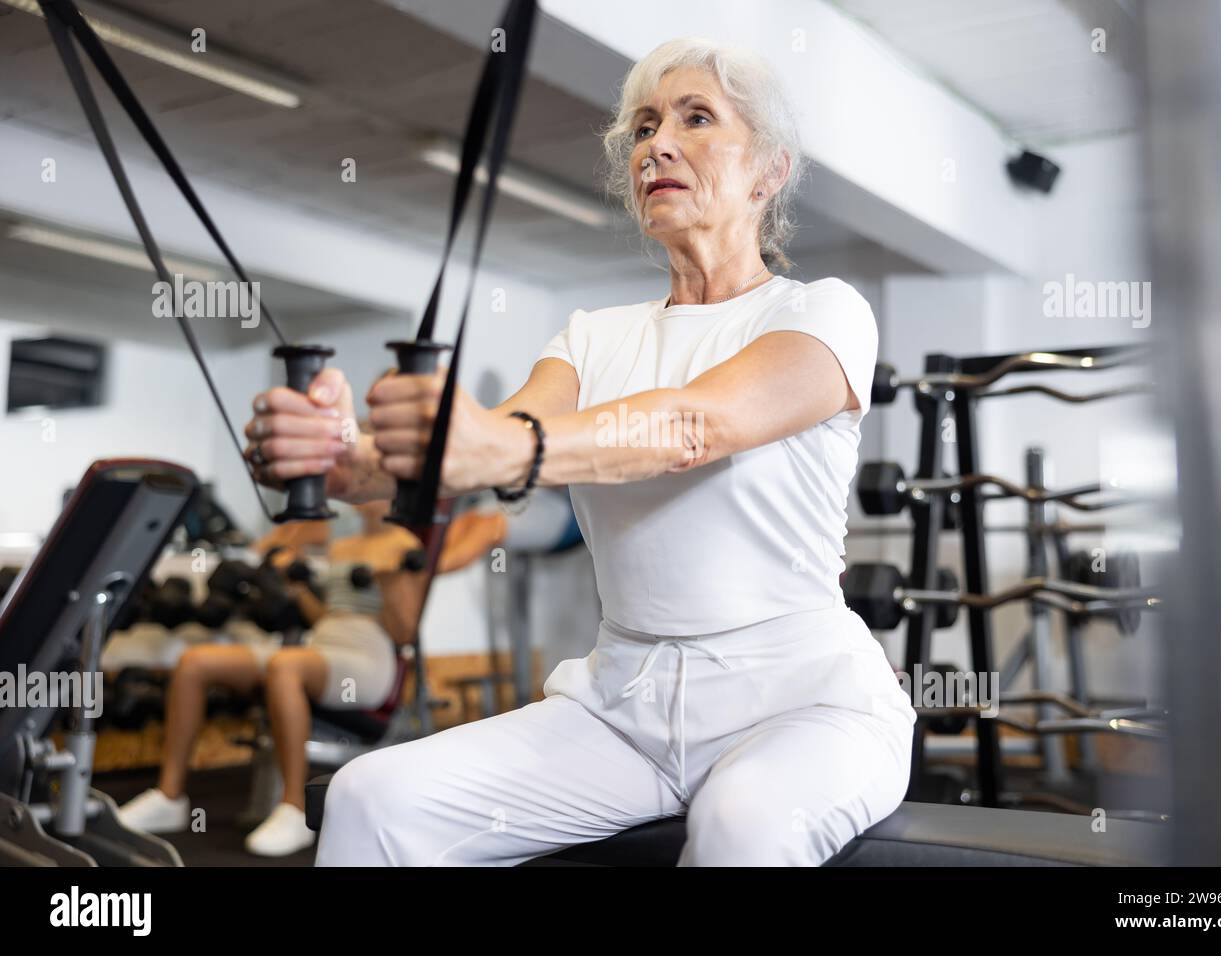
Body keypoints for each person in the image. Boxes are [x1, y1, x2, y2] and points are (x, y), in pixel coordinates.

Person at [244, 37, 916, 866]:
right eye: (642, 127)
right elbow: (487, 448)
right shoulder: (592, 338)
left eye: (695, 118)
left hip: (802, 703)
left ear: (769, 171)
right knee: (371, 798)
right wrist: (349, 462)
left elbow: (692, 426)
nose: (656, 144)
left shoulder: (820, 313)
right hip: (621, 710)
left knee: (743, 821)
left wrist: (499, 444)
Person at [118, 500, 505, 856]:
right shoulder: (343, 544)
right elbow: (324, 618)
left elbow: (404, 632)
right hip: (322, 645)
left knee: (285, 666)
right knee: (195, 661)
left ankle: (294, 807)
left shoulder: (402, 545)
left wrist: (391, 584)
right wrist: (299, 586)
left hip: (367, 660)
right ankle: (170, 797)